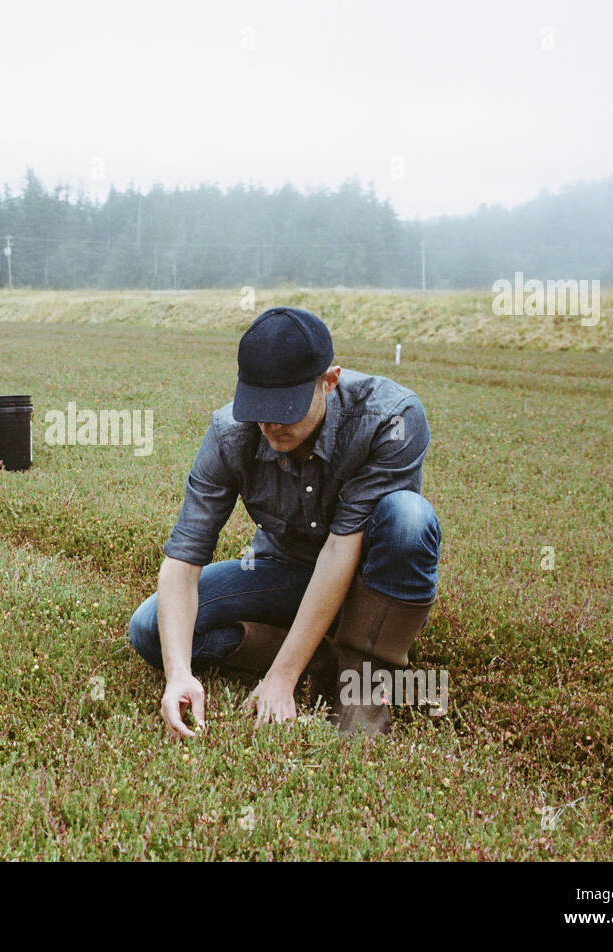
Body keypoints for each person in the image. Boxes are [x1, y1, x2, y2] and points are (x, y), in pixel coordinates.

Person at [127, 306, 441, 737]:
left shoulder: (391, 418)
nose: (270, 423)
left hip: (368, 586)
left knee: (409, 516)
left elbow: (340, 548)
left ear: (328, 382)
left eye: (286, 407)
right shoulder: (230, 433)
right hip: (286, 572)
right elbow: (183, 560)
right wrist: (178, 674)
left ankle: (364, 681)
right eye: (259, 406)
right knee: (149, 629)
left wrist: (282, 677)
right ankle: (322, 660)